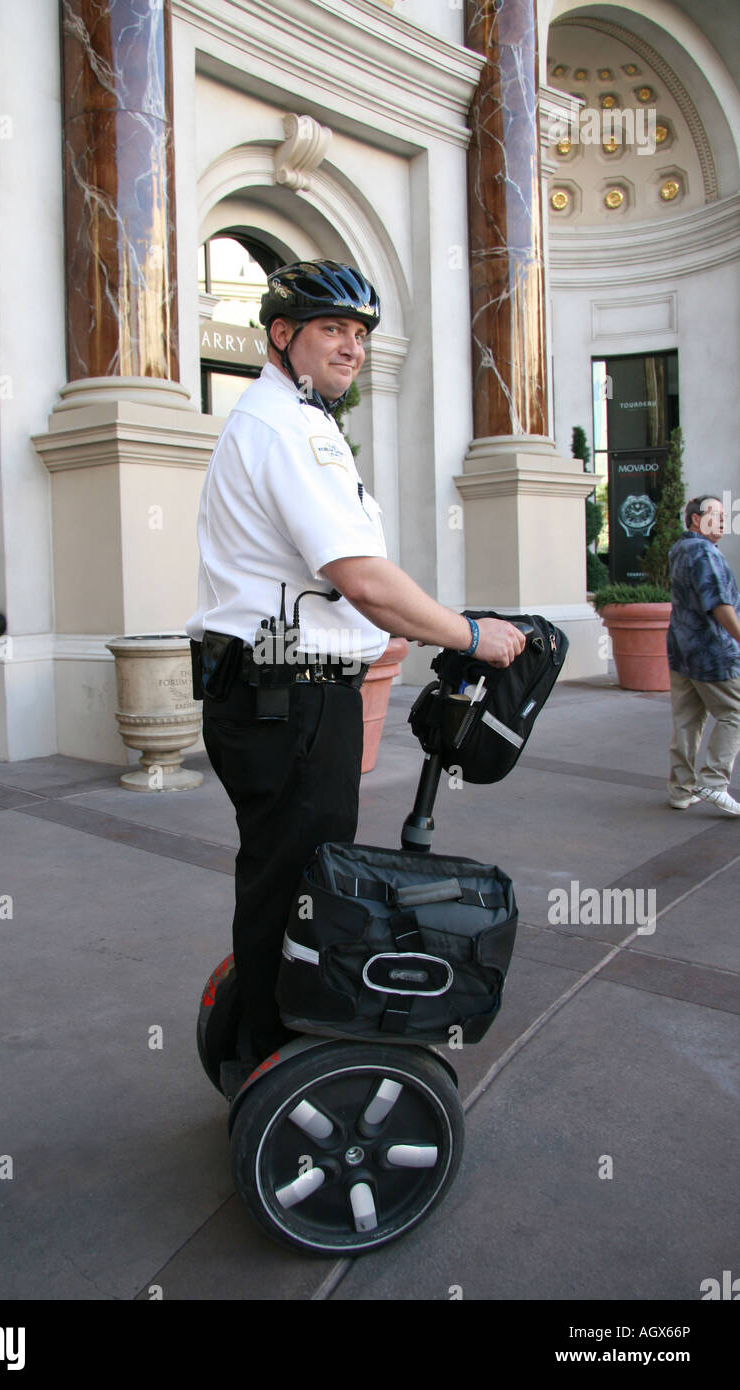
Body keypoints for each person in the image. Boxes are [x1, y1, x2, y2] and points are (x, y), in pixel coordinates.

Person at [186, 259, 525, 1092]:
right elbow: (364, 581)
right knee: (296, 880)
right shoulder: (291, 431)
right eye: (331, 328)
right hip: (288, 697)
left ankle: (251, 1046)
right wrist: (473, 634)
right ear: (281, 335)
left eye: (360, 334)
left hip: (270, 692)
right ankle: (275, 1067)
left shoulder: (289, 421)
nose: (351, 347)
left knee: (281, 876)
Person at [667, 494, 740, 814]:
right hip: (711, 653)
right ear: (696, 519)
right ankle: (714, 781)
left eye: (724, 515)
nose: (723, 520)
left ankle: (681, 789)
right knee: (734, 712)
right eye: (715, 514)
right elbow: (718, 603)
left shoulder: (680, 549)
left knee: (687, 720)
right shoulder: (704, 552)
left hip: (682, 651)